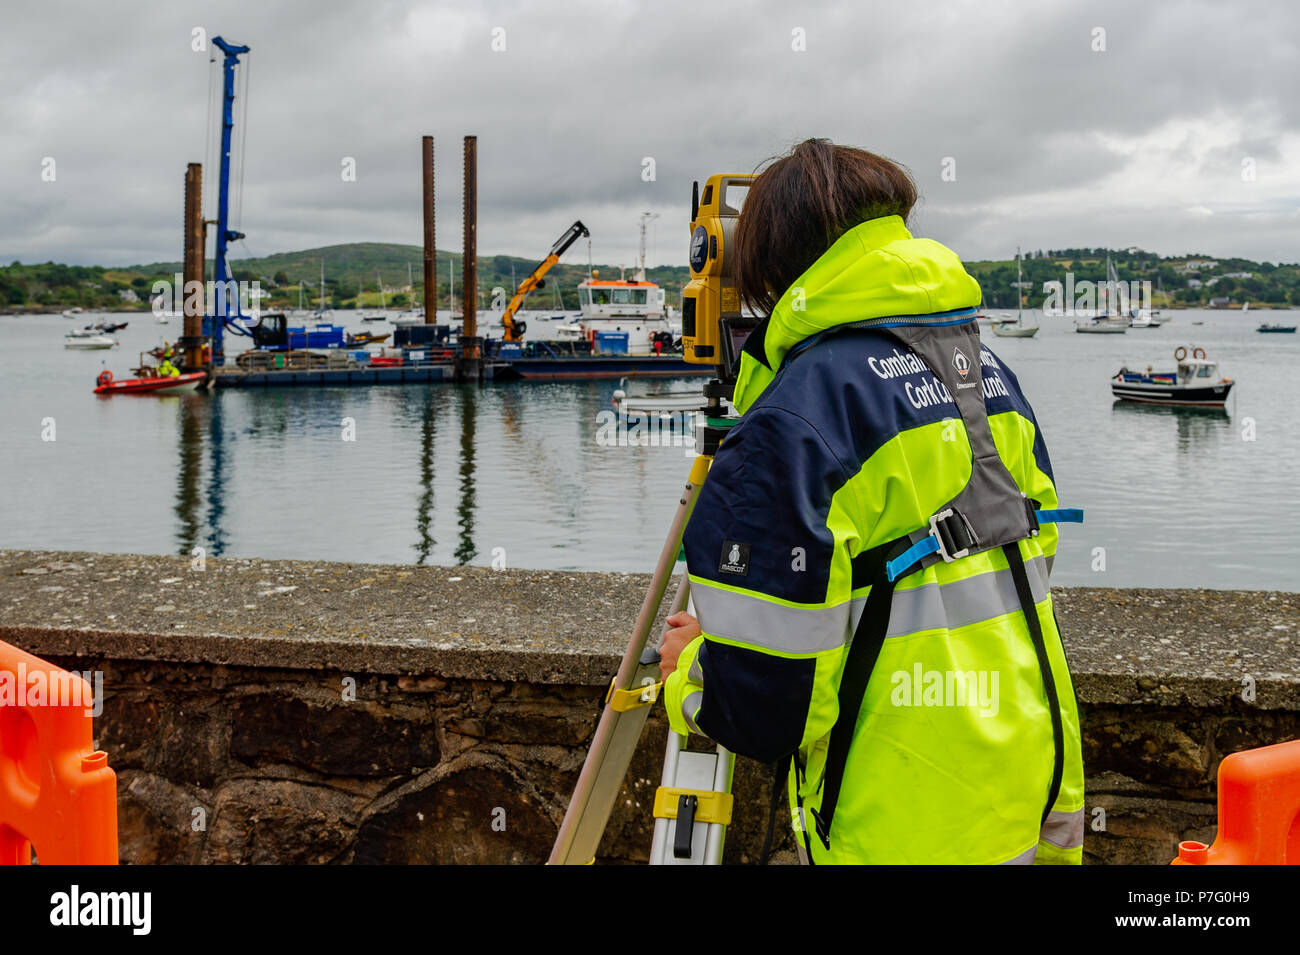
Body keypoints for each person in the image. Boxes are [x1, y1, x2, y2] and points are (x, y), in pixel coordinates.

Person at [658, 139, 1084, 865]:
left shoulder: (796, 421)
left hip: (902, 822)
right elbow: (1030, 557)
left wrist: (689, 669)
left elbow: (770, 710)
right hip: (1031, 784)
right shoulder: (988, 372)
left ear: (766, 261)